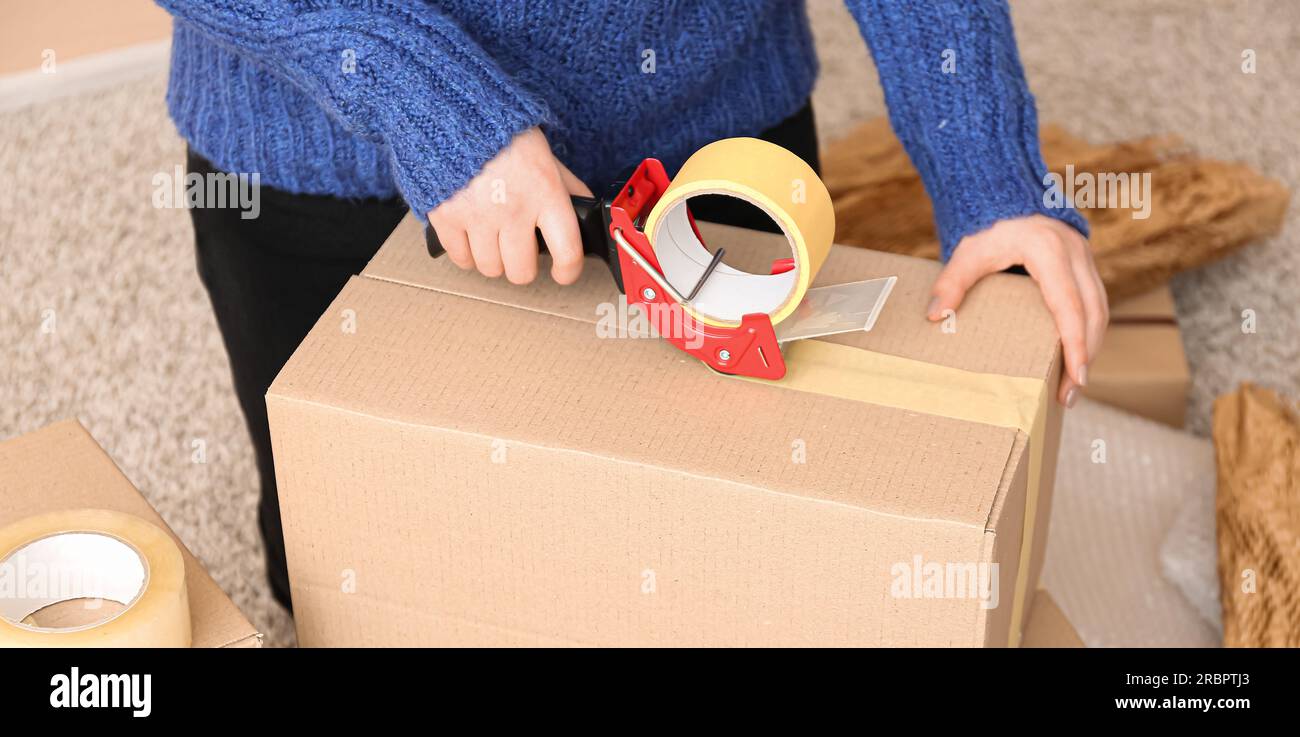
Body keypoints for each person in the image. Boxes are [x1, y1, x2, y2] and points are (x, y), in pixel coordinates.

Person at [157, 0, 1107, 611]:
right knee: (361, 572)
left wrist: (991, 170)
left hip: (713, 144)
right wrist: (422, 94)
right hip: (318, 158)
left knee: (730, 572)